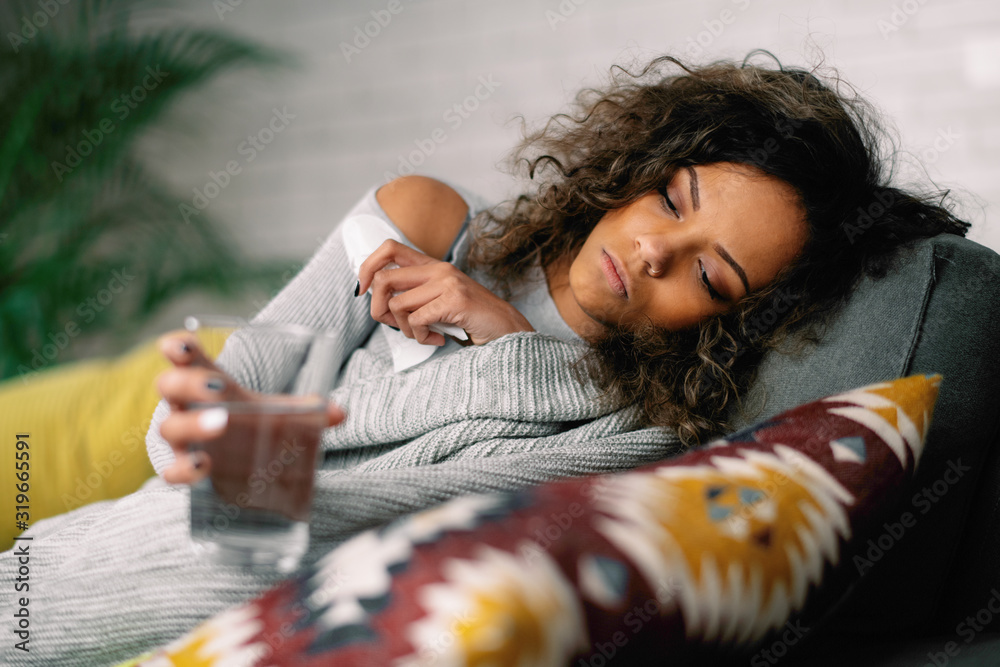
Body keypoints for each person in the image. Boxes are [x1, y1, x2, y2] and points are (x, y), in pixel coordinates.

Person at [0, 52, 970, 667]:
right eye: (671, 201)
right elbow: (253, 384)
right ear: (645, 161)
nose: (648, 254)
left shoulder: (619, 434)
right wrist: (212, 416)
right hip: (97, 547)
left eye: (708, 278)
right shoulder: (430, 220)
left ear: (734, 324)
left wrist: (507, 342)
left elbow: (355, 526)